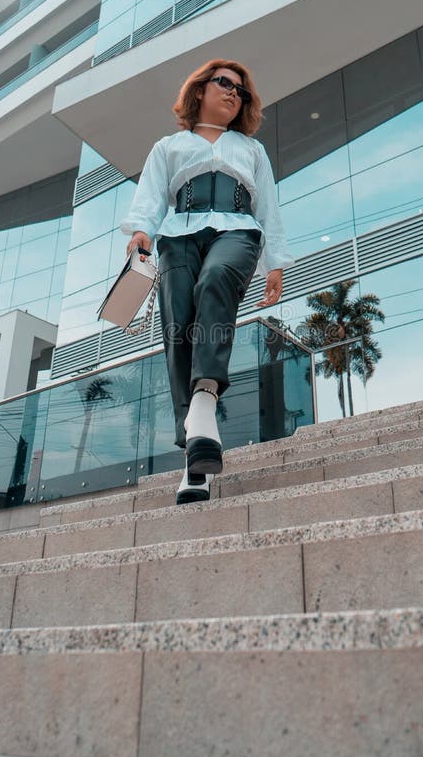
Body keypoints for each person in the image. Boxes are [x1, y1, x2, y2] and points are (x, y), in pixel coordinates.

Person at [121, 58, 294, 504]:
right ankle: (195, 463)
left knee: (216, 280)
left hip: (237, 231)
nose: (234, 92)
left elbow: (269, 207)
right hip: (177, 236)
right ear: (200, 90)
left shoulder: (252, 150)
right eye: (225, 83)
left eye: (241, 89)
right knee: (179, 325)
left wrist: (273, 262)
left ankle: (202, 404)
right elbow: (150, 198)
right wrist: (141, 230)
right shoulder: (168, 146)